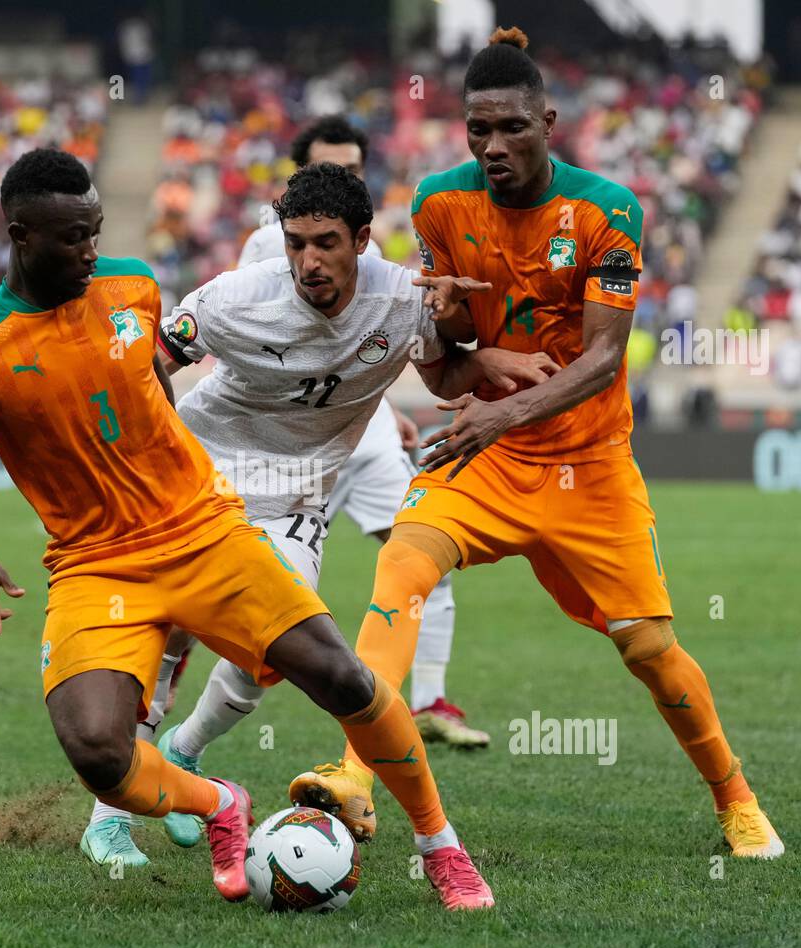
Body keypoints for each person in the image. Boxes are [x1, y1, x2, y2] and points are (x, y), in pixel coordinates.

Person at [0, 148, 494, 909]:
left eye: (96, 231)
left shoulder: (132, 286)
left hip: (201, 527)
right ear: (21, 235)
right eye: (72, 239)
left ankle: (442, 848)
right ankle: (218, 803)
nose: (93, 252)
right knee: (98, 749)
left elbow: (151, 379)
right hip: (95, 563)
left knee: (341, 677)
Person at [289, 27, 785, 861]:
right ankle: (353, 776)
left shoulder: (606, 210)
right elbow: (446, 380)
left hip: (587, 464)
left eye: (511, 127)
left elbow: (600, 359)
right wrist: (449, 341)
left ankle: (735, 796)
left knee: (650, 649)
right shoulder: (440, 207)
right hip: (485, 458)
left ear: (548, 121)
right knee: (403, 562)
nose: (492, 146)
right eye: (476, 129)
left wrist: (498, 412)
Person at [78, 163, 552, 866]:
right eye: (295, 242)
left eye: (325, 242)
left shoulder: (402, 299)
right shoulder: (233, 299)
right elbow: (148, 365)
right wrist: (162, 457)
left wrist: (486, 363)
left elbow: (441, 372)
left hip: (298, 491)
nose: (308, 260)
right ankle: (109, 815)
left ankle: (182, 752)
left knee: (267, 659)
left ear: (362, 239)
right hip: (202, 473)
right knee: (167, 636)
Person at [236, 116, 487, 748]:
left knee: (420, 553)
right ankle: (171, 720)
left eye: (353, 167)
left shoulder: (362, 246)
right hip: (284, 444)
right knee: (249, 597)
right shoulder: (273, 249)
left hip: (365, 431)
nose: (346, 176)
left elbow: (378, 338)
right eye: (331, 166)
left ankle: (429, 701)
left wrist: (387, 404)